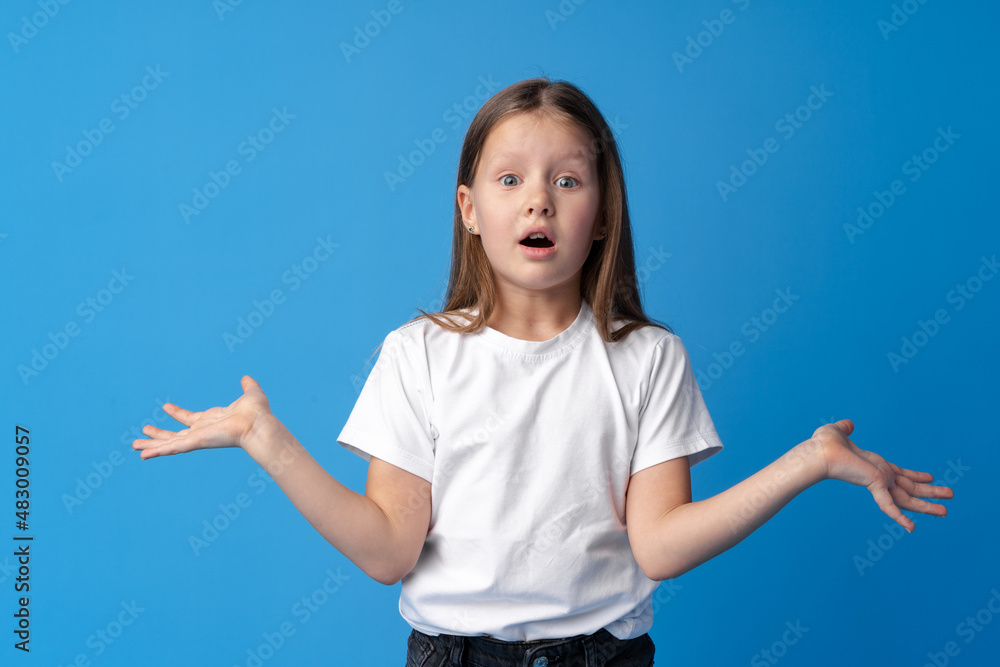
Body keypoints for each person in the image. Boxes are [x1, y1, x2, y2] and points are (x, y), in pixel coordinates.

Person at [132, 77, 954, 667]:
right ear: (469, 209)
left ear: (601, 215)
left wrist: (807, 461)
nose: (539, 202)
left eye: (568, 180)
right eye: (511, 180)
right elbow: (389, 549)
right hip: (450, 656)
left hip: (604, 658)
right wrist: (268, 442)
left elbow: (660, 545)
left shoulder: (647, 358)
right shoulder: (416, 353)